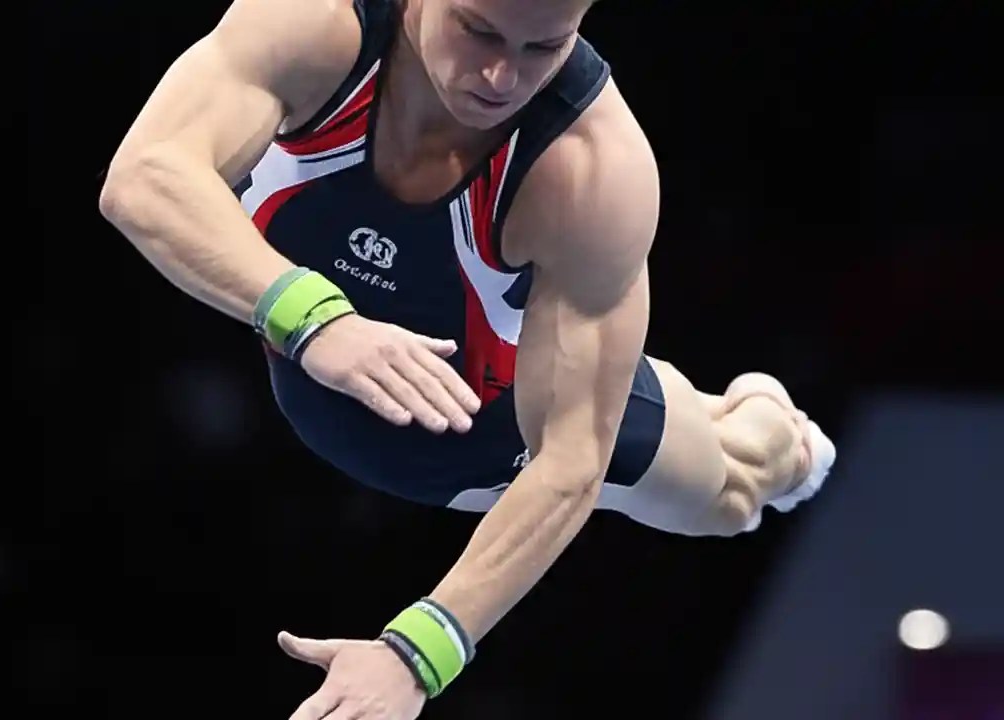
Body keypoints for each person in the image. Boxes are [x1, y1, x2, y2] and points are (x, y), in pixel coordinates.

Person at [98, 0, 837, 716]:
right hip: (319, 369)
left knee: (728, 499)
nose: (501, 78)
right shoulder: (314, 26)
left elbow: (571, 463)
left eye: (542, 48)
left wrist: (416, 654)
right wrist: (319, 322)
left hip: (496, 440)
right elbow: (145, 177)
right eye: (478, 32)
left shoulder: (591, 169)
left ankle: (772, 426)